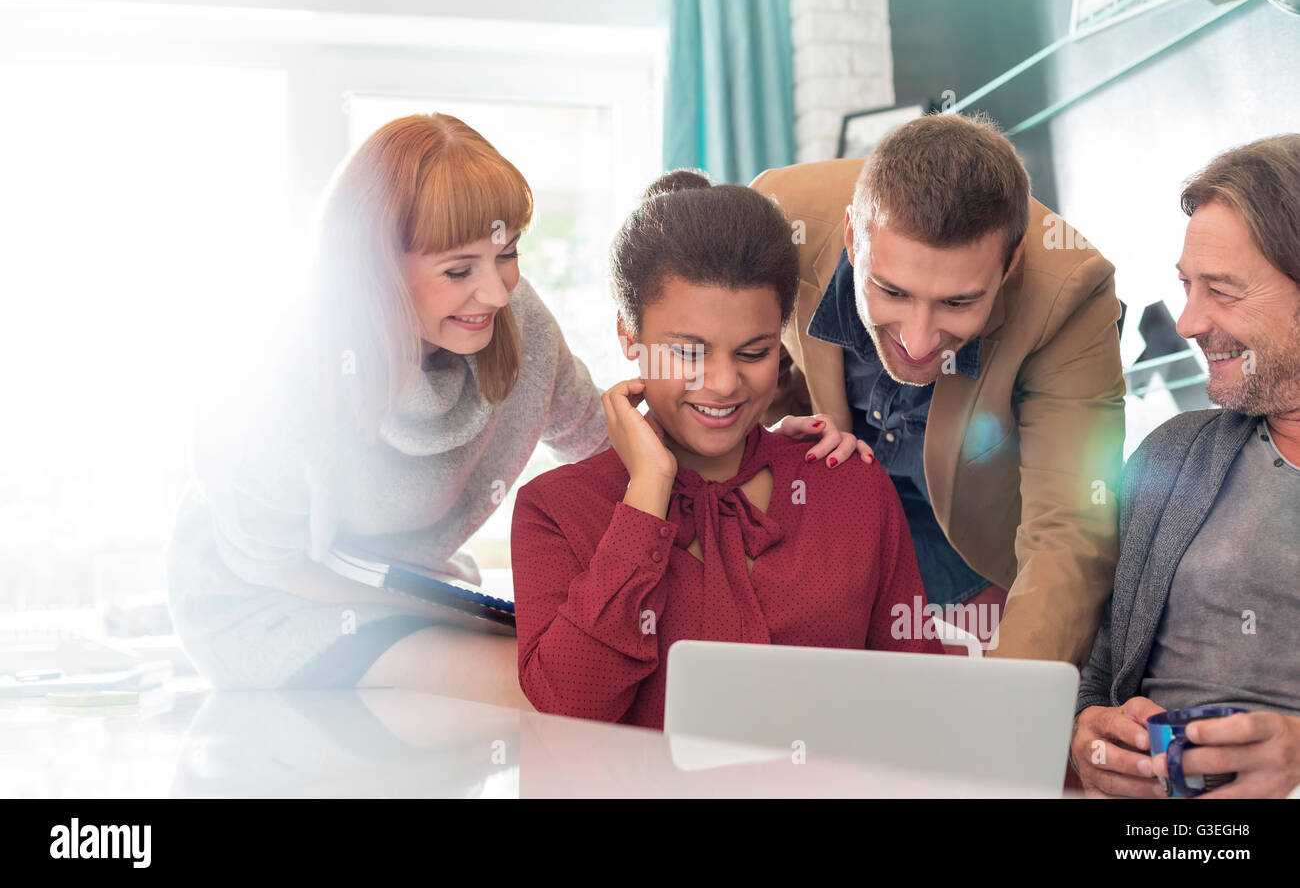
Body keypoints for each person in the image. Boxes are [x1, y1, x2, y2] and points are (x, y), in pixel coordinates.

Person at [165, 115, 861, 705]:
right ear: (373, 268)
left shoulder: (512, 322)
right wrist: (449, 614)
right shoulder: (270, 388)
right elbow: (272, 564)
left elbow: (605, 443)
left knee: (606, 668)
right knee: (543, 691)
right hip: (268, 602)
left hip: (424, 590)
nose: (497, 293)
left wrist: (758, 449)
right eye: (458, 270)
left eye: (507, 254)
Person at [510, 170, 942, 729]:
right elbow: (568, 705)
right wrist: (647, 493)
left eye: (753, 352)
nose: (722, 384)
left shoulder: (848, 483)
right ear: (628, 335)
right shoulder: (557, 511)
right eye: (688, 353)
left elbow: (922, 703)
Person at [751, 112, 1126, 664]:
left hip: (972, 547)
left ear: (1011, 262)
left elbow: (1070, 526)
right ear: (855, 238)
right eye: (891, 291)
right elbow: (743, 360)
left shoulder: (1073, 292)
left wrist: (1007, 708)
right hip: (826, 524)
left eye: (958, 302)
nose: (919, 340)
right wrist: (768, 450)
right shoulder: (777, 217)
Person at [1071, 135, 1300, 799]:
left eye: (1221, 291)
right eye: (1186, 286)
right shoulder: (1174, 456)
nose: (1190, 320)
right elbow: (1102, 668)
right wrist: (1090, 732)